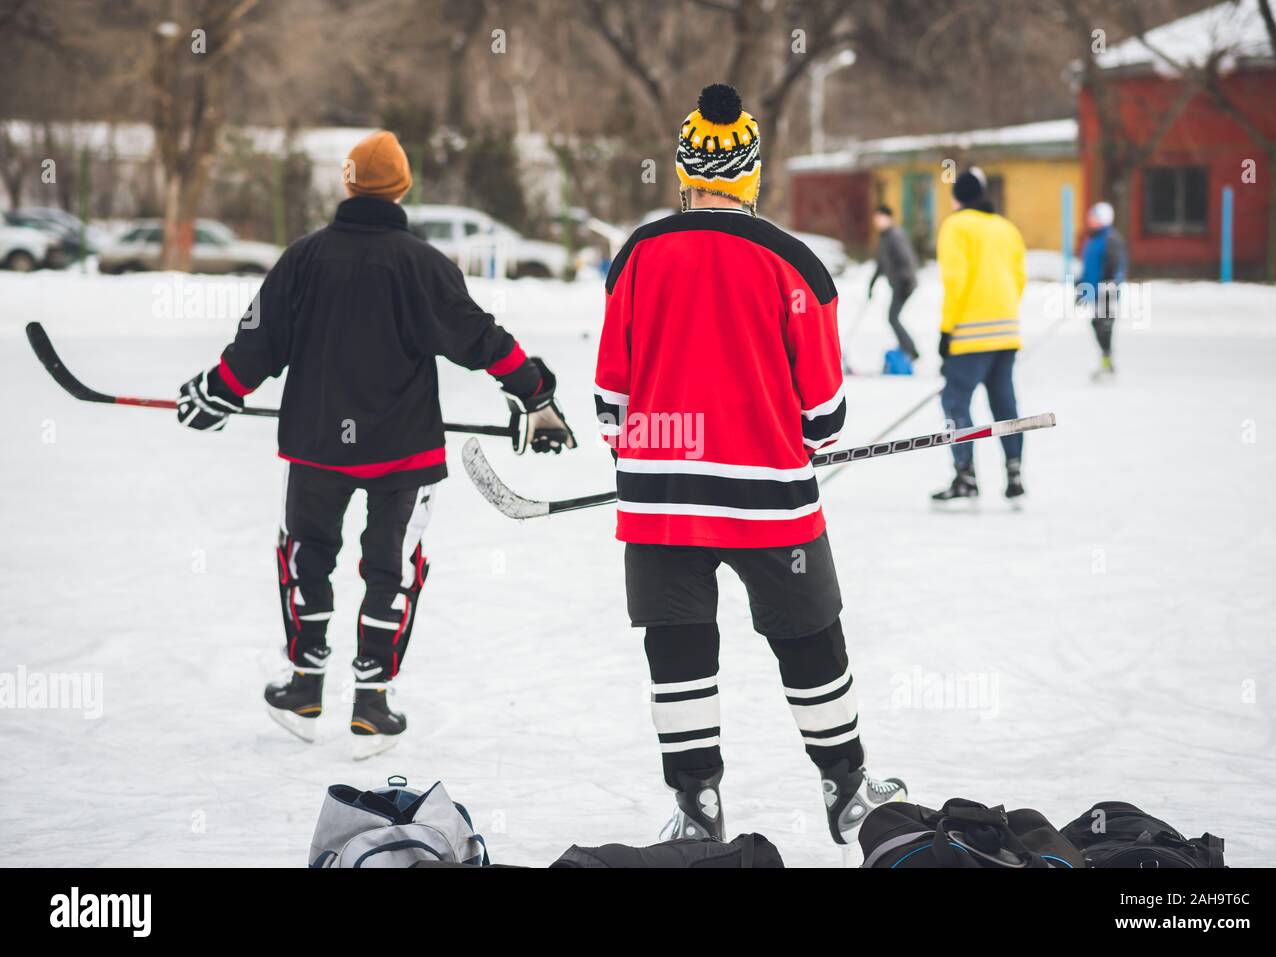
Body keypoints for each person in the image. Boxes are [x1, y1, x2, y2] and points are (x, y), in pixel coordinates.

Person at [176, 130, 575, 758]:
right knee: (391, 568)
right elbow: (483, 340)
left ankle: (305, 687)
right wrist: (535, 393)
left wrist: (216, 390)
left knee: (307, 556)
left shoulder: (304, 258)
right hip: (404, 451)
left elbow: (257, 348)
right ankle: (373, 702)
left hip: (316, 447)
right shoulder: (422, 264)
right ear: (403, 187)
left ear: (348, 183)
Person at [595, 84, 907, 852]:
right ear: (751, 176)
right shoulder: (796, 263)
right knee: (809, 637)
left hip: (662, 501)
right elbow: (825, 416)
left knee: (678, 645)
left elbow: (610, 402)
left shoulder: (638, 255)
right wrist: (795, 432)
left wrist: (648, 442)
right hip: (772, 504)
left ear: (685, 174)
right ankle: (846, 787)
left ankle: (697, 800)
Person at [931, 166, 1027, 507]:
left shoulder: (956, 227)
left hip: (970, 334)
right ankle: (1014, 473)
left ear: (957, 198)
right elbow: (1019, 278)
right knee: (1005, 404)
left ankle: (965, 475)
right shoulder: (1006, 227)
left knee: (955, 402)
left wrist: (946, 330)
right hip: (1006, 331)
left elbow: (955, 282)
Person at [1077, 200, 1127, 381]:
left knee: (1104, 327)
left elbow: (1115, 266)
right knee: (1097, 325)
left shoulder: (1110, 239)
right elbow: (1089, 269)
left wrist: (1109, 285)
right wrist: (1081, 288)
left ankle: (1107, 365)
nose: (1089, 220)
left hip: (1106, 294)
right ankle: (1107, 361)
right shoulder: (1093, 240)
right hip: (1095, 293)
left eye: (1093, 217)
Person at [867, 204, 920, 361]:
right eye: (875, 218)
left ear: (888, 218)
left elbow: (907, 259)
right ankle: (908, 348)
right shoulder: (884, 238)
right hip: (897, 283)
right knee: (893, 317)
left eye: (880, 218)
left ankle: (910, 349)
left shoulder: (894, 236)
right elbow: (881, 264)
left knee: (892, 317)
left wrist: (906, 281)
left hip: (904, 283)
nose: (877, 222)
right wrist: (871, 285)